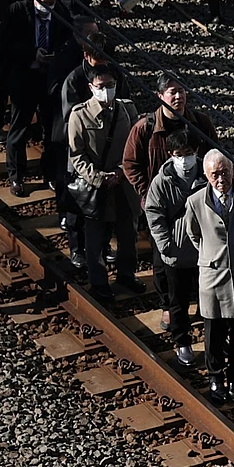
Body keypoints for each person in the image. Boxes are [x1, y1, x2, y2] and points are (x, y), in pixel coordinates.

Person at [123, 74, 214, 331]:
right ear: (160, 96)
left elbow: (216, 156)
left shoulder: (201, 124)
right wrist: (148, 193)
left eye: (181, 91)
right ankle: (168, 306)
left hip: (199, 206)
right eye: (172, 92)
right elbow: (130, 163)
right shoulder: (146, 127)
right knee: (163, 259)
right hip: (164, 207)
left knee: (202, 254)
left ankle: (197, 301)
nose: (178, 96)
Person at [186, 150, 234, 404]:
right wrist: (211, 255)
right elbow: (194, 235)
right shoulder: (196, 201)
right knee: (214, 333)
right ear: (207, 176)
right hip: (213, 276)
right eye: (215, 175)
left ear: (233, 171)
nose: (221, 179)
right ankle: (215, 377)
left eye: (225, 172)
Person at [0, 0, 78, 199]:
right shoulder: (17, 11)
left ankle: (50, 173)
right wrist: (31, 53)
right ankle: (16, 175)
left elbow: (67, 43)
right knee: (19, 127)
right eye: (43, 2)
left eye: (51, 3)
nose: (47, 8)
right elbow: (6, 44)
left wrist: (56, 56)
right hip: (24, 77)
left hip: (49, 80)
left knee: (51, 129)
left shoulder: (60, 12)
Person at [67, 64, 140, 301]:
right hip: (96, 187)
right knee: (95, 239)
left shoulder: (127, 110)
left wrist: (121, 171)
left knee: (128, 235)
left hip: (123, 183)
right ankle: (98, 282)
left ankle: (126, 275)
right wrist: (98, 177)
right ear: (91, 88)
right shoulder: (79, 115)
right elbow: (76, 155)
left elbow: (135, 147)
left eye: (110, 86)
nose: (106, 91)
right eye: (101, 86)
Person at [144, 129, 205, 366]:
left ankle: (214, 340)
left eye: (188, 153)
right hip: (176, 254)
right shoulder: (162, 181)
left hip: (205, 251)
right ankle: (182, 342)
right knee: (177, 302)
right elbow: (154, 213)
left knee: (209, 298)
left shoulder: (208, 173)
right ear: (171, 154)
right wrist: (165, 246)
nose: (184, 158)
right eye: (179, 154)